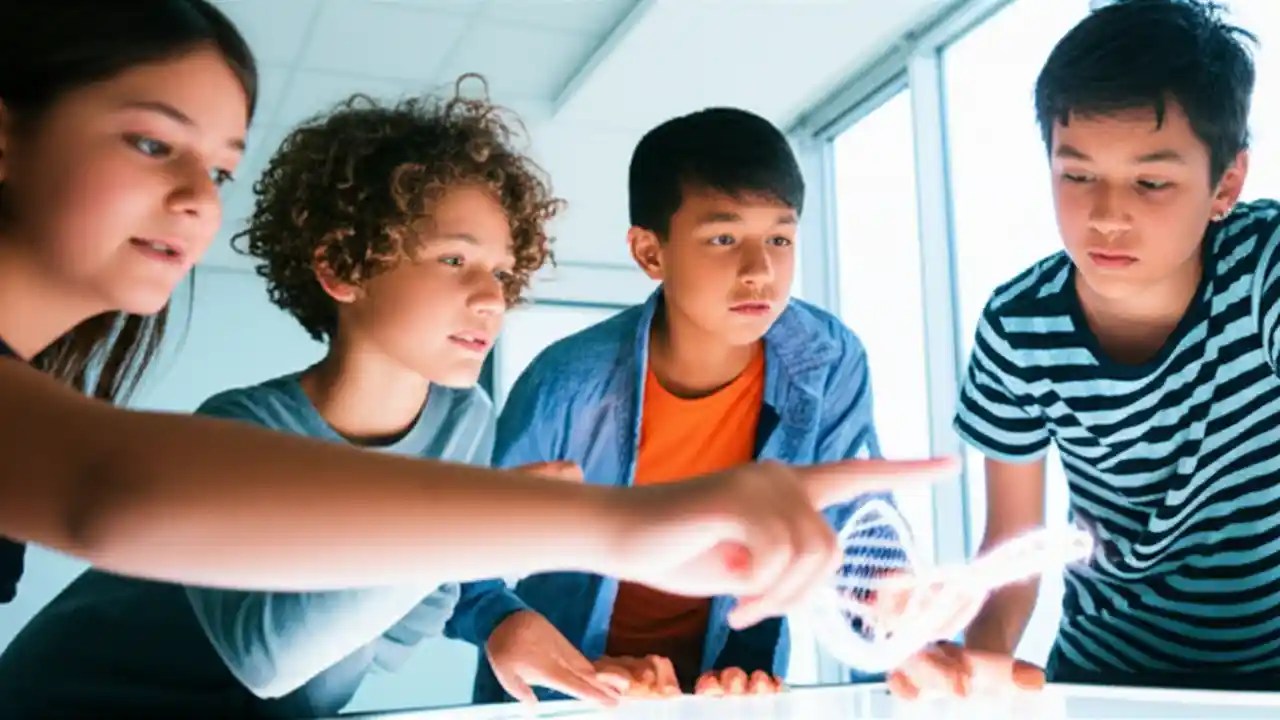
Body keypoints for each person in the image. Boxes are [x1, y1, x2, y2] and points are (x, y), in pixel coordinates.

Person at [0, 0, 955, 650]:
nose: (195, 201)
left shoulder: (460, 425)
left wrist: (891, 609)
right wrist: (604, 526)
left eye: (214, 168)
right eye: (150, 141)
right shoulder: (557, 388)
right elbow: (112, 492)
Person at [890, 0, 1280, 698]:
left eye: (1151, 182)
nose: (1106, 215)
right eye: (1077, 175)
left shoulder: (1264, 268)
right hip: (1105, 677)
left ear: (1226, 184)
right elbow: (1011, 551)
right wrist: (974, 668)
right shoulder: (1018, 327)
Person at [460, 107, 910, 703]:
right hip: (567, 692)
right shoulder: (563, 384)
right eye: (723, 239)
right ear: (650, 252)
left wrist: (897, 643)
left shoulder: (828, 360)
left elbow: (857, 541)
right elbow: (461, 551)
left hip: (729, 690)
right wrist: (502, 623)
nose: (761, 271)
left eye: (780, 237)